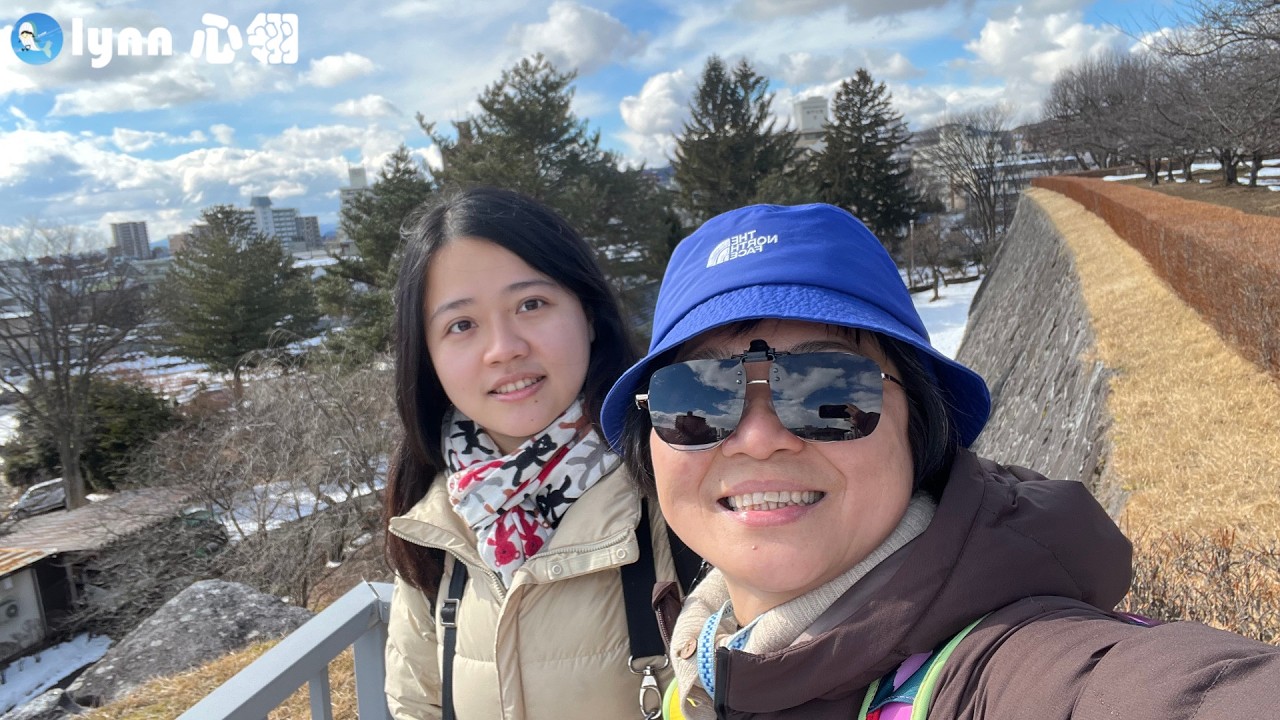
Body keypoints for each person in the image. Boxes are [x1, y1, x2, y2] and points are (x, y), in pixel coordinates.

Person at [599, 202, 1280, 719]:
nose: (757, 438)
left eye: (830, 390)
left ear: (917, 423)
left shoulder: (1011, 671)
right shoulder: (706, 649)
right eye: (696, 399)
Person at [383, 187, 691, 719]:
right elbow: (418, 705)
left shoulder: (680, 485)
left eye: (532, 304)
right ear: (427, 355)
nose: (504, 347)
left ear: (588, 315)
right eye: (461, 325)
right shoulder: (435, 523)